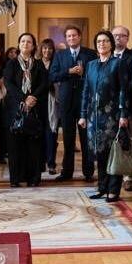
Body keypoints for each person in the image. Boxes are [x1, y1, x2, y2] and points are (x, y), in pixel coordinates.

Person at [79, 31, 129, 202]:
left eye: (106, 41)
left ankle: (113, 190)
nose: (102, 43)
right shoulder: (91, 65)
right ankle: (102, 187)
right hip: (94, 117)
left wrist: (123, 114)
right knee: (99, 153)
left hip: (112, 116)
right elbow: (86, 91)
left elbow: (123, 90)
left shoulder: (118, 63)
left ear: (111, 44)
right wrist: (83, 115)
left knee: (113, 153)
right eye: (99, 41)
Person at [49, 25, 98, 181]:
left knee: (85, 138)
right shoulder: (60, 55)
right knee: (68, 138)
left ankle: (88, 172)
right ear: (66, 38)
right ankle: (67, 172)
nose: (71, 38)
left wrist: (85, 73)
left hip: (85, 100)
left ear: (79, 36)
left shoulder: (90, 53)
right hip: (66, 101)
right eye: (68, 36)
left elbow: (96, 74)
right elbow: (53, 75)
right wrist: (69, 71)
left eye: (74, 35)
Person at [3, 33, 49, 187]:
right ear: (18, 44)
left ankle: (33, 178)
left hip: (35, 109)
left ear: (33, 46)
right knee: (15, 146)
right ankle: (16, 179)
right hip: (15, 108)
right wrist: (24, 98)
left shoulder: (39, 64)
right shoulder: (11, 64)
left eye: (29, 42)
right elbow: (8, 84)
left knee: (33, 145)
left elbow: (44, 83)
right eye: (22, 41)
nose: (25, 44)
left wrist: (32, 98)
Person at [112, 26, 132, 192]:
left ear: (127, 38)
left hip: (131, 106)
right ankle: (112, 174)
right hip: (109, 107)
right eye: (115, 35)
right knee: (112, 141)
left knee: (130, 140)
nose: (118, 38)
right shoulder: (105, 56)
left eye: (122, 35)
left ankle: (128, 177)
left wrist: (122, 87)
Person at [39, 38, 59, 175]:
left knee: (52, 133)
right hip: (39, 102)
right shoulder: (36, 63)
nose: (47, 51)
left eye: (50, 48)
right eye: (45, 48)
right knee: (39, 134)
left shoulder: (56, 63)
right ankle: (40, 163)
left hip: (53, 102)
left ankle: (51, 163)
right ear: (41, 50)